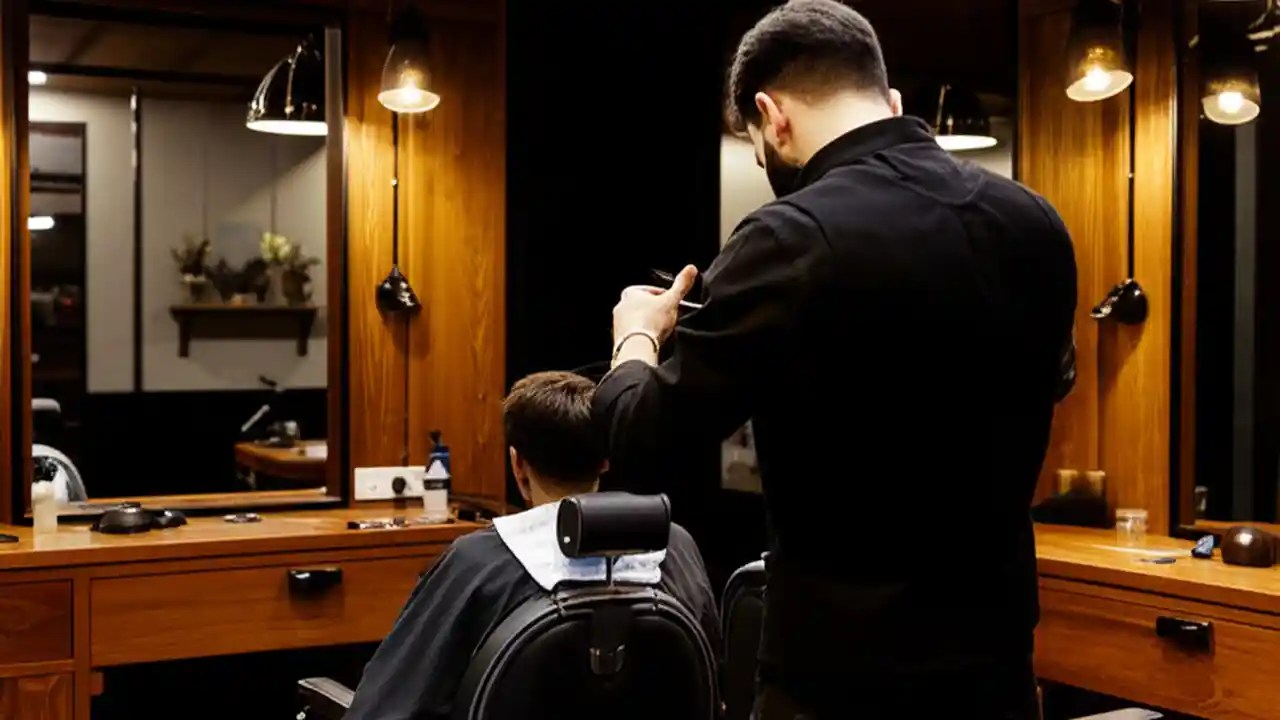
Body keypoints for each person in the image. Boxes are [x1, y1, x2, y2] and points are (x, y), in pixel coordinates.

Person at [593, 1, 1077, 717]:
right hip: (996, 673)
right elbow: (1050, 379)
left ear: (772, 114)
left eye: (760, 152)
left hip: (840, 680)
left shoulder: (791, 237)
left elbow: (635, 436)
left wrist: (637, 335)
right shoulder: (1034, 221)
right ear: (891, 101)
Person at [344, 371, 720, 720]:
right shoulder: (674, 547)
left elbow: (383, 708)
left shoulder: (478, 562)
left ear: (517, 464)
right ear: (605, 461)